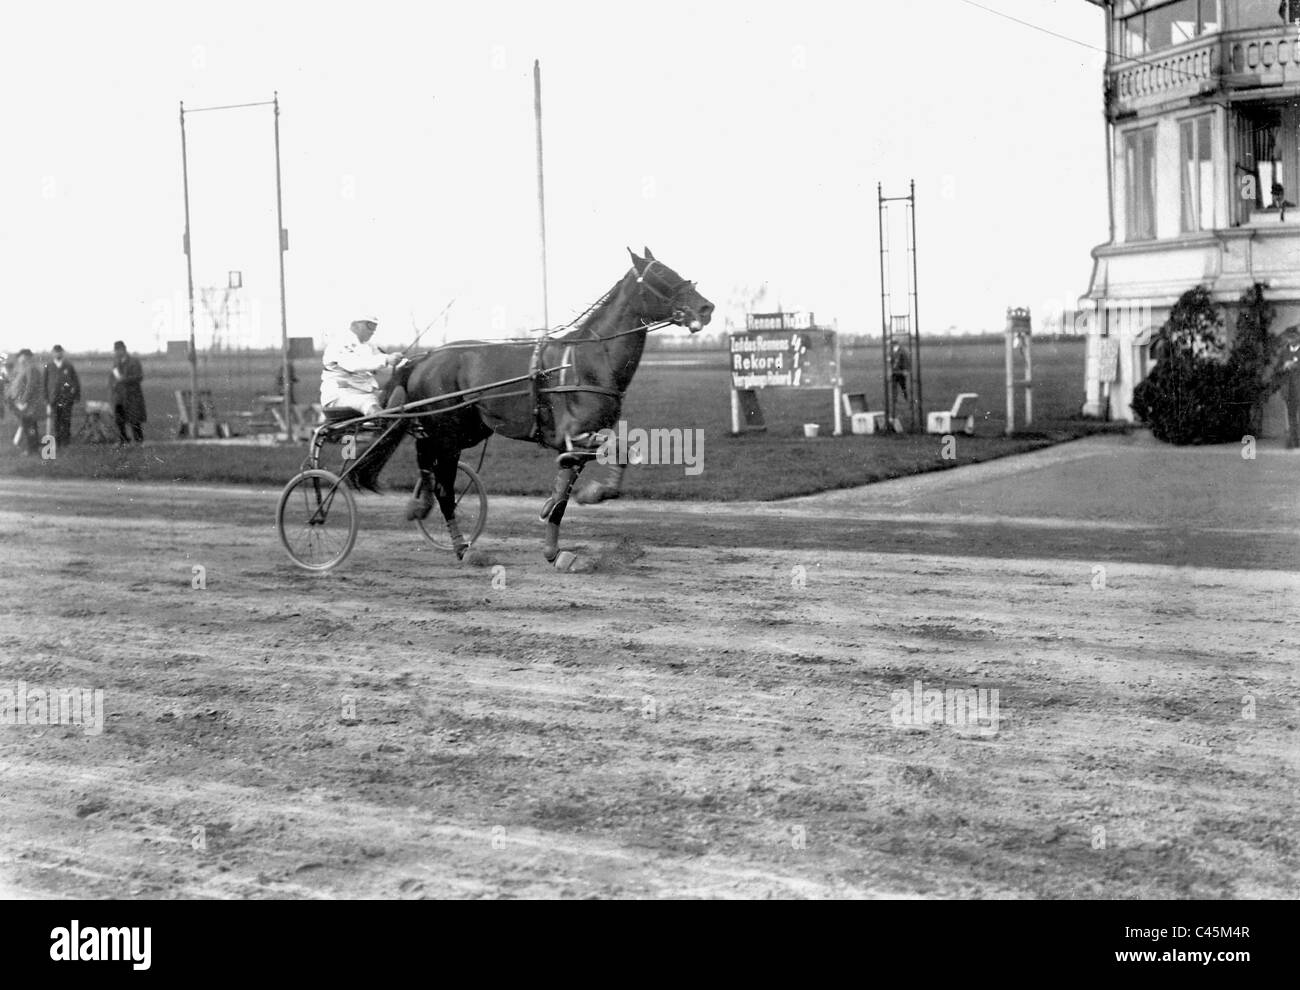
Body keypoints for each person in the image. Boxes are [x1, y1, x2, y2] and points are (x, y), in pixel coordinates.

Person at [320, 317, 402, 417]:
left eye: (375, 327)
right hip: (341, 395)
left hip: (367, 394)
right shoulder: (339, 343)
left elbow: (386, 365)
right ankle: (378, 426)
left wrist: (410, 363)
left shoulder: (370, 346)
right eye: (370, 326)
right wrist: (386, 359)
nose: (373, 331)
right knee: (371, 405)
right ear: (355, 324)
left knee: (397, 398)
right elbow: (353, 364)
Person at [5, 349, 43, 455]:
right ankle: (33, 448)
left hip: (29, 404)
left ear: (26, 356)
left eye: (20, 356)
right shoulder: (26, 368)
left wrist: (23, 401)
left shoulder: (31, 368)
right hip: (26, 403)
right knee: (29, 426)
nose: (19, 359)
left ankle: (31, 450)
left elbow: (31, 386)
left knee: (29, 426)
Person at [109, 340, 146, 445]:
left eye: (117, 350)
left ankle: (139, 441)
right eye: (115, 350)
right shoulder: (116, 363)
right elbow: (112, 377)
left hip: (132, 395)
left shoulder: (134, 361)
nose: (116, 353)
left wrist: (124, 379)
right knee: (119, 420)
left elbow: (139, 376)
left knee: (135, 419)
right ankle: (123, 440)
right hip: (119, 396)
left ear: (123, 349)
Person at [44, 345, 81, 447]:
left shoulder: (68, 365)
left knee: (66, 419)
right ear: (53, 353)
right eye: (56, 352)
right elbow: (44, 383)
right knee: (56, 420)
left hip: (67, 398)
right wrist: (46, 398)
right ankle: (57, 440)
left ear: (62, 353)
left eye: (60, 352)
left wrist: (77, 395)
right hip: (54, 398)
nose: (58, 354)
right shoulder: (48, 366)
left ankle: (66, 441)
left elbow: (75, 381)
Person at [1274, 327, 1300, 449]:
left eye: (1293, 337)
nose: (1290, 340)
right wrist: (1284, 367)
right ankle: (1293, 441)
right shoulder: (1284, 352)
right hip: (1288, 389)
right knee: (1291, 415)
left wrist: (1295, 366)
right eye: (1289, 338)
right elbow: (1277, 369)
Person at [890, 340, 912, 405]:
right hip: (894, 372)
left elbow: (906, 361)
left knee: (903, 387)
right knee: (894, 387)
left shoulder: (902, 351)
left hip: (901, 372)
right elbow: (891, 360)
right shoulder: (892, 351)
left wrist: (906, 370)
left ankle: (906, 398)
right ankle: (895, 400)